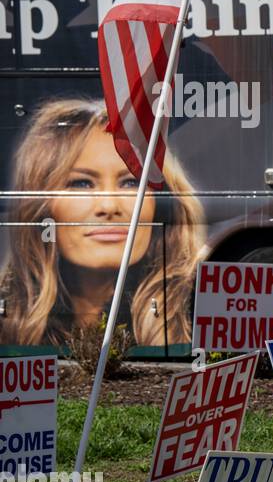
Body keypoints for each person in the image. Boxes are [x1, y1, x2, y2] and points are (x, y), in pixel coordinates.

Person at [0, 99, 206, 348]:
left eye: (131, 183)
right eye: (82, 183)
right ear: (43, 206)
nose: (109, 207)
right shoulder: (11, 319)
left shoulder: (196, 304)